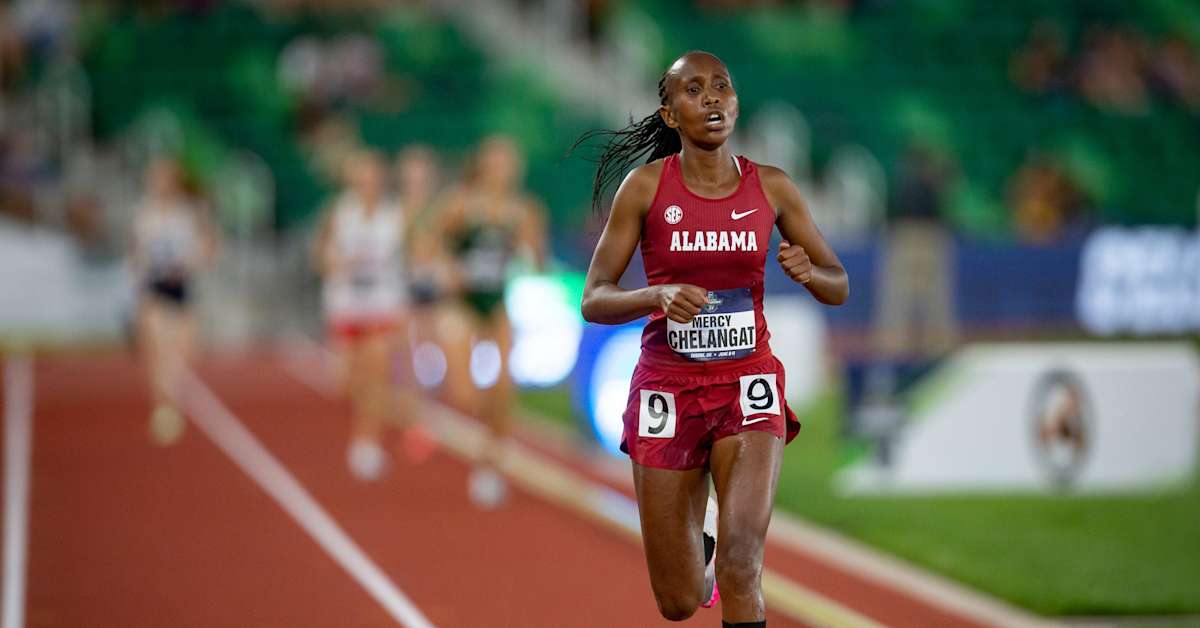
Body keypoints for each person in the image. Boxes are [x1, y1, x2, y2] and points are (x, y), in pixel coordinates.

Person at [577, 51, 847, 626]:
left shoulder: (771, 188)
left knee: (743, 562)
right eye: (694, 90)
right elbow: (594, 297)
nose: (712, 99)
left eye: (721, 87)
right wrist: (656, 296)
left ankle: (722, 551)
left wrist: (809, 273)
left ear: (737, 102)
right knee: (678, 602)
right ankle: (698, 546)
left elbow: (838, 283)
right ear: (670, 114)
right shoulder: (645, 188)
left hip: (747, 382)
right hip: (668, 388)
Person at [435, 135, 548, 508]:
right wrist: (447, 268)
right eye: (497, 161)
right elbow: (427, 240)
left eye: (510, 162)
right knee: (464, 393)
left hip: (496, 301)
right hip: (462, 303)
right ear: (483, 165)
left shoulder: (523, 209)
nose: (504, 170)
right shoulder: (462, 203)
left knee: (504, 384)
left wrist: (530, 245)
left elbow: (536, 257)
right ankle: (486, 433)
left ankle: (490, 462)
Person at [314, 148, 415, 481]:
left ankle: (366, 442)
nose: (366, 183)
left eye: (372, 177)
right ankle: (362, 430)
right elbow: (320, 254)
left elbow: (412, 256)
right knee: (344, 381)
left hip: (382, 304)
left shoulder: (395, 214)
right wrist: (331, 261)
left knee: (378, 372)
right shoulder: (339, 211)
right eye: (361, 177)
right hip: (346, 304)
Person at [130, 157, 219, 446]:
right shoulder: (144, 214)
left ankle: (170, 394)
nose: (160, 184)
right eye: (156, 178)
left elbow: (208, 246)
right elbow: (135, 251)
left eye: (165, 178)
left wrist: (194, 261)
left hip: (182, 287)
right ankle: (164, 406)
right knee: (155, 346)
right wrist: (141, 272)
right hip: (154, 287)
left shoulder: (188, 214)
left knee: (185, 351)